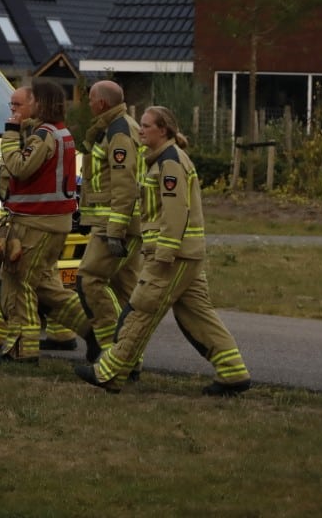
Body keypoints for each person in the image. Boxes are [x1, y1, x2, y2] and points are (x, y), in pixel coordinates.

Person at [74, 106, 252, 396]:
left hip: (172, 257)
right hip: (186, 256)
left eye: (146, 126)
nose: (140, 130)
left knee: (142, 310)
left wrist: (163, 255)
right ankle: (233, 373)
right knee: (197, 314)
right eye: (141, 125)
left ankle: (110, 373)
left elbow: (174, 213)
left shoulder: (169, 163)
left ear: (164, 130)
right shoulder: (160, 160)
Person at [0, 81, 94, 363]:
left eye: (19, 105)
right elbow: (19, 178)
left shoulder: (42, 136)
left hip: (37, 224)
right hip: (48, 223)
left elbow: (20, 168)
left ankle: (21, 351)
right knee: (47, 289)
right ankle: (95, 333)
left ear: (39, 104)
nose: (12, 111)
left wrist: (9, 136)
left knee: (18, 282)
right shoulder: (55, 133)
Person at [75, 80, 144, 357]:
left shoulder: (119, 132)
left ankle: (108, 348)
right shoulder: (111, 128)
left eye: (91, 99)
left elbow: (124, 183)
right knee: (126, 292)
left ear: (102, 103)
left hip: (116, 227)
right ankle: (129, 357)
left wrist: (115, 229)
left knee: (88, 280)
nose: (88, 104)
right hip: (117, 224)